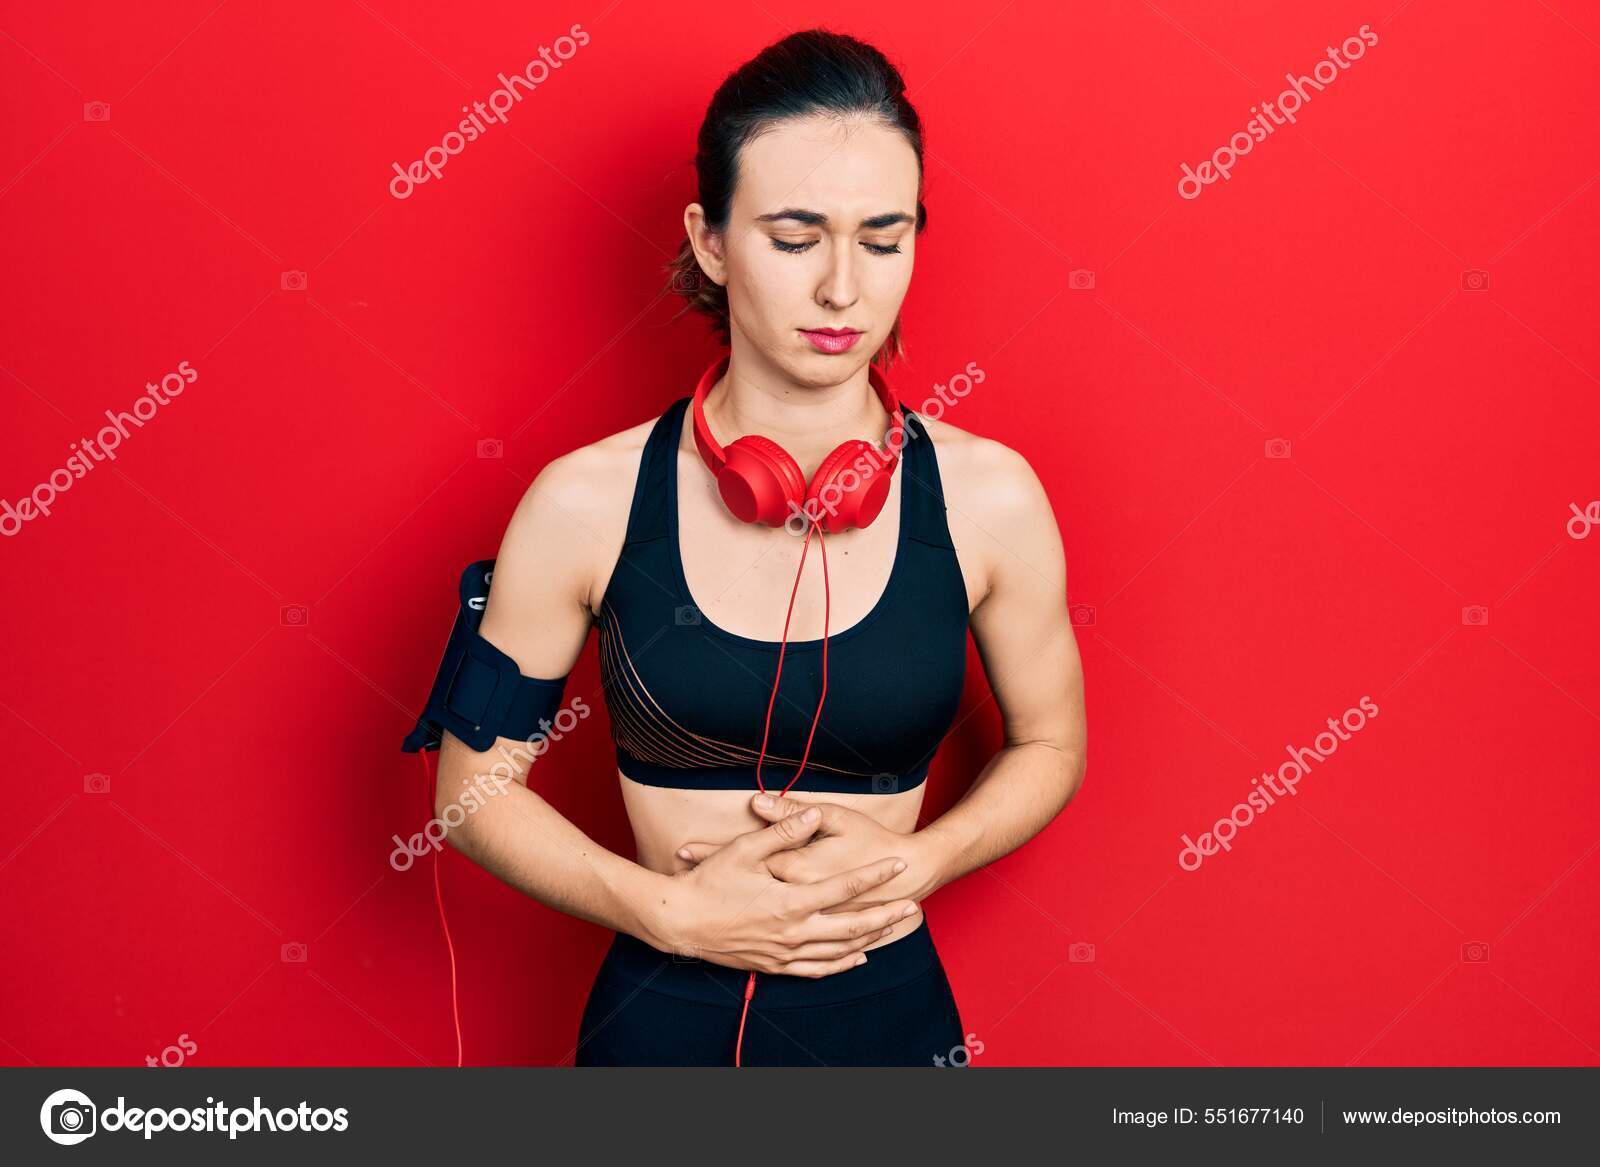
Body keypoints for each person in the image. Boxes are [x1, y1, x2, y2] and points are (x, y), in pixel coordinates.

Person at [431, 27, 1087, 1066]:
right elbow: (469, 795)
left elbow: (1050, 744)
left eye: (883, 238)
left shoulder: (992, 497)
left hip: (893, 1031)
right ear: (709, 241)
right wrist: (665, 914)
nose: (842, 290)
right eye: (793, 237)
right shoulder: (581, 503)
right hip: (658, 1029)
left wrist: (928, 859)